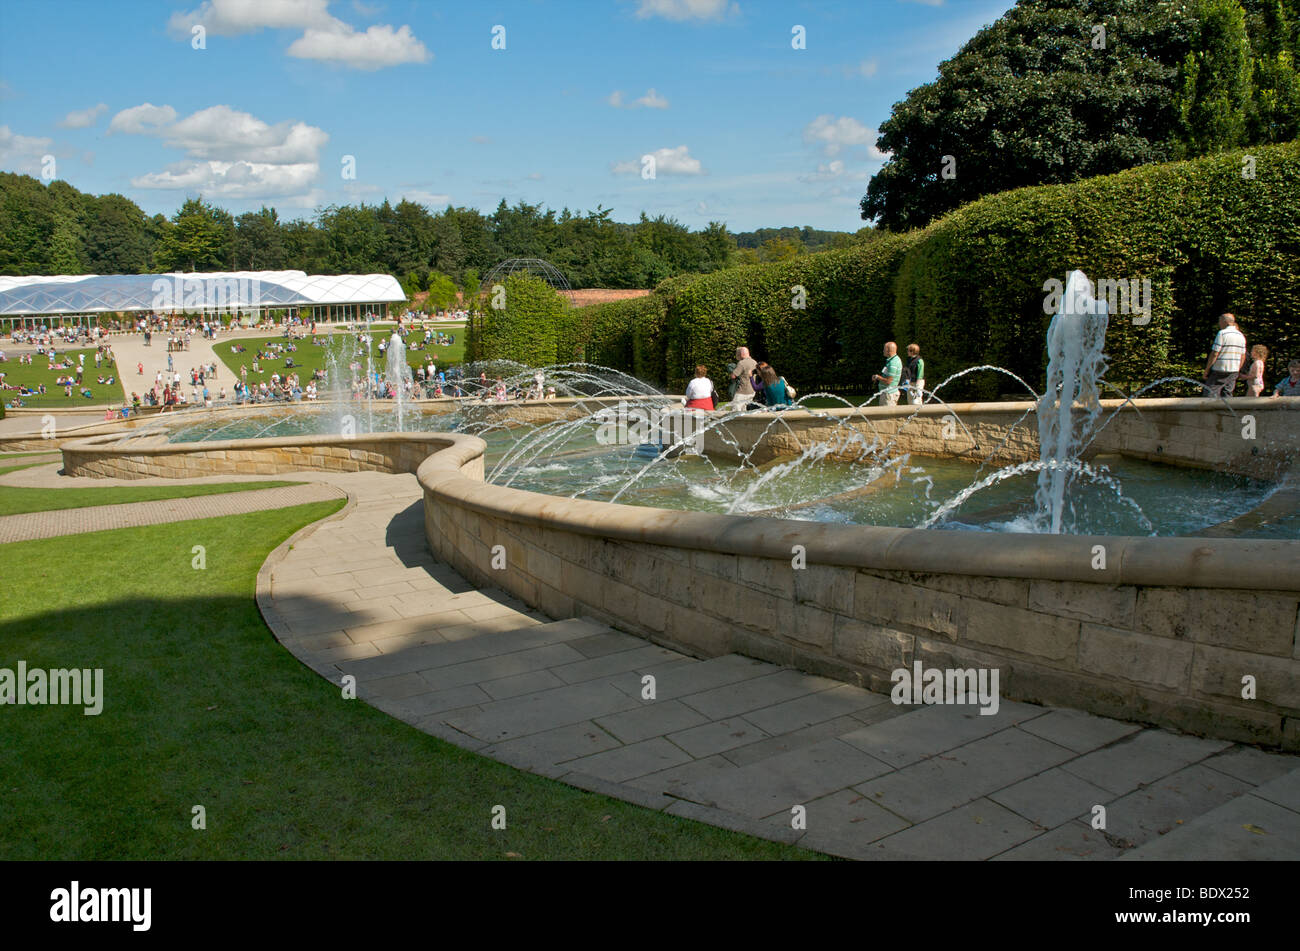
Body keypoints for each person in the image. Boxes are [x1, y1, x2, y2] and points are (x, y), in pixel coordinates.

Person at [1203, 313, 1246, 397]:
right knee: (1227, 393)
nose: (1219, 323)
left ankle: (1209, 409)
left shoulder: (1222, 333)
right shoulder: (1241, 336)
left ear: (1225, 321)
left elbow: (1215, 353)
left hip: (1220, 368)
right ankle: (1227, 410)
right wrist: (1237, 369)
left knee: (1210, 392)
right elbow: (1242, 356)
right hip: (1234, 370)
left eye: (1220, 321)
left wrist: (1207, 369)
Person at [872, 341, 903, 406]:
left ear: (888, 351)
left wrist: (877, 377)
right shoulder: (893, 360)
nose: (883, 351)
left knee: (888, 416)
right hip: (888, 393)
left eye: (884, 349)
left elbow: (888, 381)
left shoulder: (893, 363)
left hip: (889, 395)